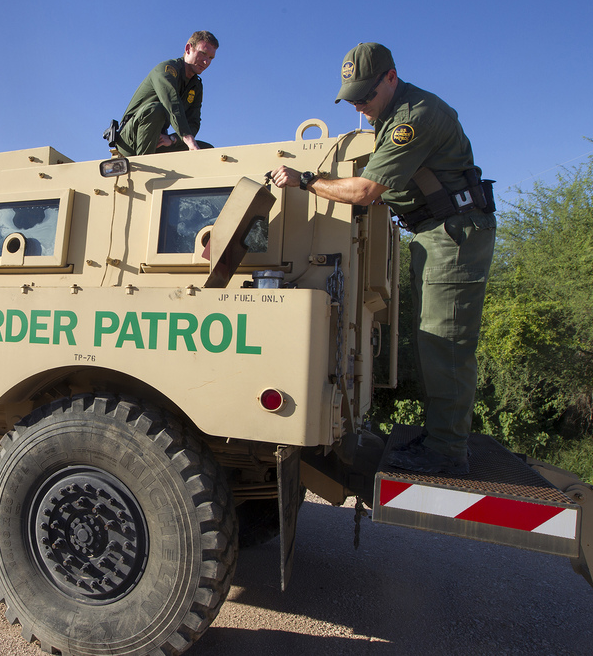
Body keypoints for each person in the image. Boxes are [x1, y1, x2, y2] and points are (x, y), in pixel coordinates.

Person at [269, 43, 496, 476]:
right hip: (438, 233)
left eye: (365, 95)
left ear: (391, 78)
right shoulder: (392, 116)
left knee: (444, 343)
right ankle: (440, 440)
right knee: (431, 340)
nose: (359, 104)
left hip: (455, 234)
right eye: (352, 97)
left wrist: (306, 181)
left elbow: (365, 191)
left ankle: (448, 453)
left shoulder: (414, 118)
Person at [114, 31, 218, 157]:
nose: (206, 62)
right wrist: (189, 140)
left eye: (211, 58)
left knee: (207, 150)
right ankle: (146, 168)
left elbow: (194, 122)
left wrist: (173, 139)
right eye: (203, 53)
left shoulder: (196, 86)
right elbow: (172, 103)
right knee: (156, 109)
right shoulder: (166, 70)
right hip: (130, 139)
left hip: (157, 140)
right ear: (188, 48)